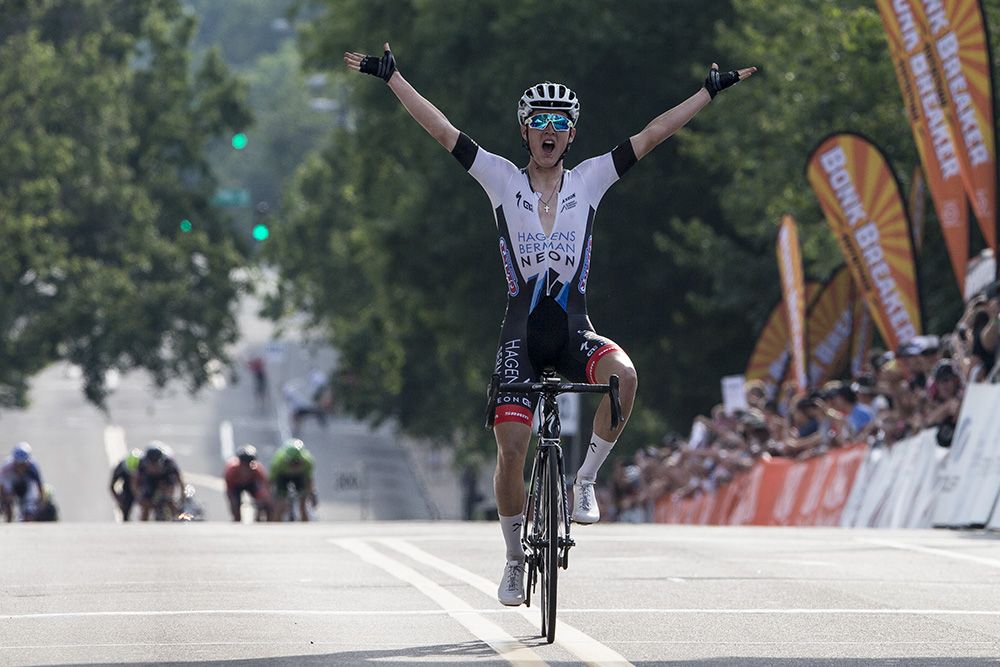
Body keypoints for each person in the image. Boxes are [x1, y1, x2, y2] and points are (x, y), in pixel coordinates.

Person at [344, 43, 756, 606]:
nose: (549, 131)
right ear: (524, 130)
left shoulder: (590, 180)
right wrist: (393, 78)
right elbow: (442, 131)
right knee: (511, 447)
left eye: (560, 123)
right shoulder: (500, 179)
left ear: (571, 135)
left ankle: (584, 480)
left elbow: (653, 134)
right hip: (520, 336)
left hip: (573, 332)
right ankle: (514, 559)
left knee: (625, 377)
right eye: (540, 121)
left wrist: (706, 92)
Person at [269, 438, 316, 521]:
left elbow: (309, 480)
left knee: (303, 505)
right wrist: (270, 496)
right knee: (280, 506)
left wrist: (311, 494)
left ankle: (305, 525)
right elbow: (271, 481)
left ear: (302, 460)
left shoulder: (308, 461)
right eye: (292, 463)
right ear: (286, 461)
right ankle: (276, 524)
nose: (294, 467)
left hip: (300, 476)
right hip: (283, 476)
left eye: (297, 463)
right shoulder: (278, 462)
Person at [135, 441, 184, 521]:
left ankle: (178, 518)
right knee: (145, 504)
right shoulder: (142, 464)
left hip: (165, 479)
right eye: (151, 464)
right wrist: (138, 496)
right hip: (150, 480)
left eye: (156, 464)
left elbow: (179, 481)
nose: (154, 467)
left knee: (170, 501)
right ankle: (143, 523)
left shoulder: (169, 464)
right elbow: (135, 481)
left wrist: (181, 497)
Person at [224, 445, 272, 522]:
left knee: (266, 502)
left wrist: (262, 499)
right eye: (244, 463)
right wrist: (234, 502)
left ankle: (263, 520)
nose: (246, 466)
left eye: (249, 462)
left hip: (250, 483)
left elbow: (264, 484)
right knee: (235, 505)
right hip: (235, 485)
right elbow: (230, 489)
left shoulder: (257, 469)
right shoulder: (232, 469)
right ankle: (237, 519)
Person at [1, 442, 47, 522]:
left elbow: (39, 486)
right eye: (18, 464)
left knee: (29, 512)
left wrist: (41, 500)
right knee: (7, 503)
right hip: (11, 484)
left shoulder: (33, 467)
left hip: (26, 486)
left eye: (23, 464)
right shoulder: (6, 467)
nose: (20, 468)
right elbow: (2, 484)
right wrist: (5, 499)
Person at [109, 448, 142, 521]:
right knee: (125, 505)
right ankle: (126, 520)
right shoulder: (120, 468)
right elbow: (111, 486)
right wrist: (119, 500)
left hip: (143, 486)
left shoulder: (146, 467)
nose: (133, 476)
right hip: (127, 489)